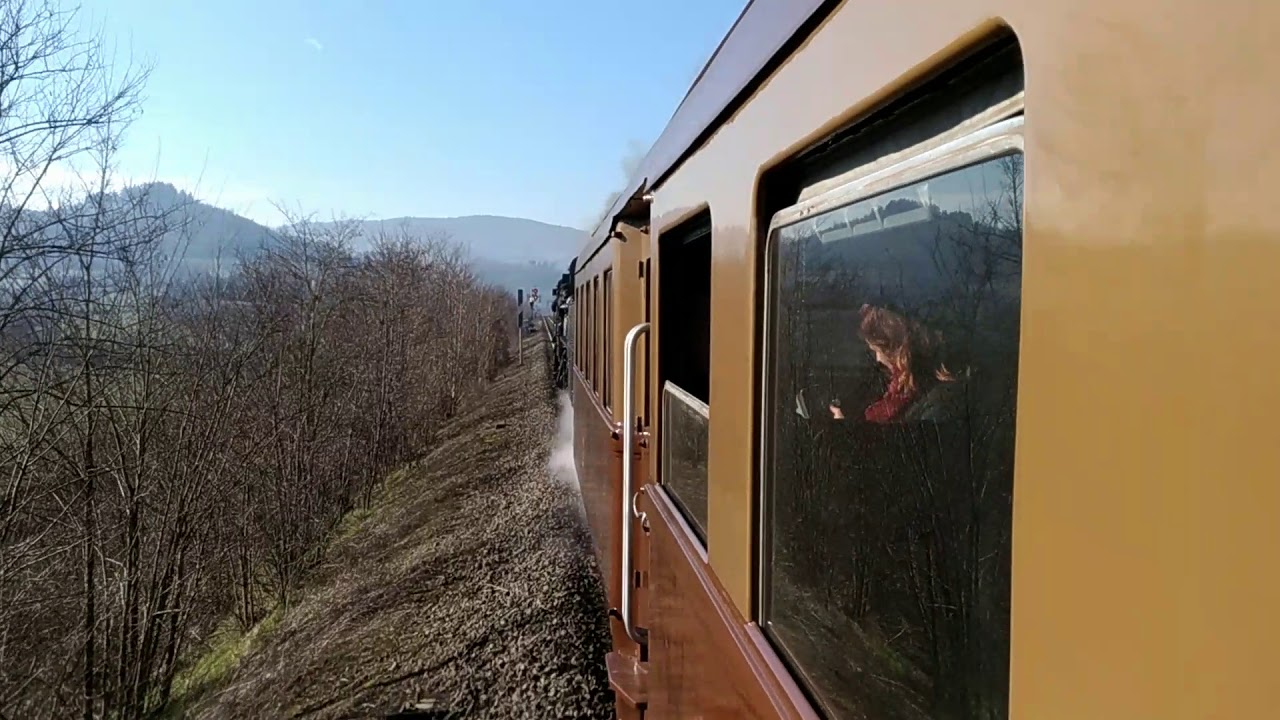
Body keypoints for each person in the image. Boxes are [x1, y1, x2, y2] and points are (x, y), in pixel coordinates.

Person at [829, 304, 962, 423]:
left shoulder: (937, 403)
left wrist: (846, 432)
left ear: (897, 349)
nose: (878, 359)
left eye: (879, 351)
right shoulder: (894, 387)